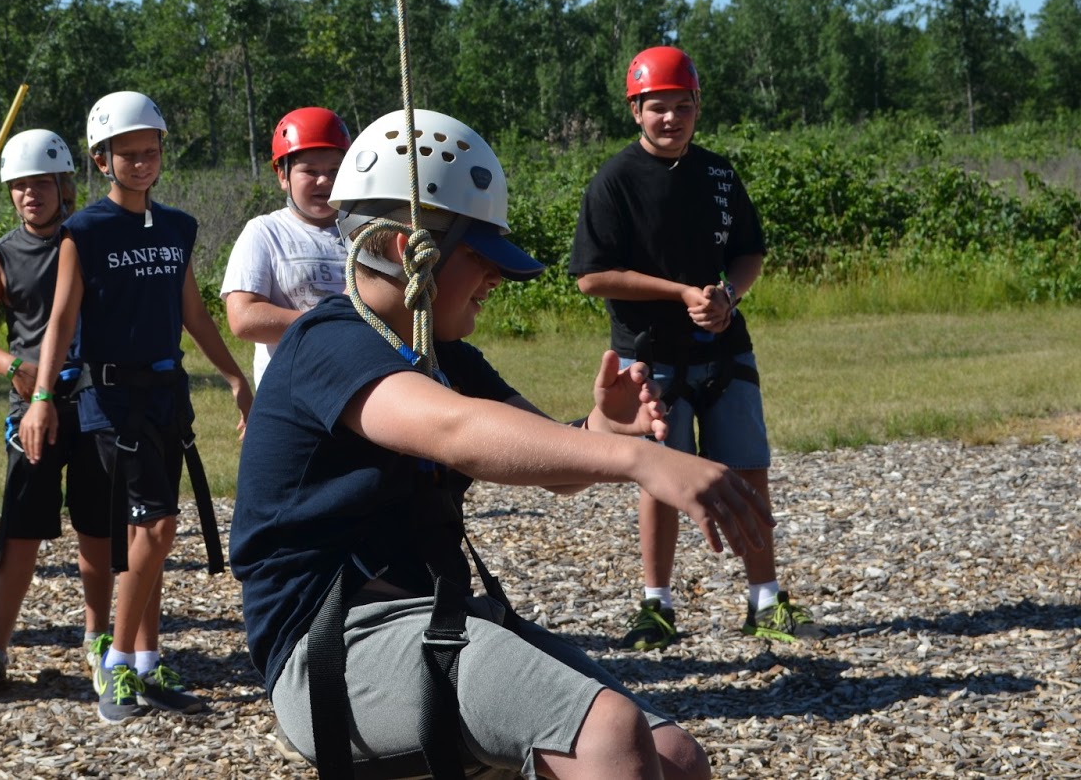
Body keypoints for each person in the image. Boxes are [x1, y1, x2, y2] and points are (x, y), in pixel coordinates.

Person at [230, 108, 776, 780]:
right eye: (481, 257)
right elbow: (455, 430)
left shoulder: (444, 352)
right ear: (411, 250)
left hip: (432, 615)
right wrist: (644, 459)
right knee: (609, 733)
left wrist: (603, 428)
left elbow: (554, 465)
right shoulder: (329, 341)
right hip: (335, 646)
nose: (495, 279)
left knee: (678, 756)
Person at [568, 45, 824, 652]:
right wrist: (680, 291)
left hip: (725, 347)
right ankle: (656, 607)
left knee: (749, 471)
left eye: (683, 106)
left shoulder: (717, 173)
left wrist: (728, 295)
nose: (672, 118)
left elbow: (750, 250)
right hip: (650, 356)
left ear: (697, 106)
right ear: (636, 110)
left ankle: (765, 601)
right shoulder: (614, 181)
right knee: (657, 479)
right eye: (659, 107)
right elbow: (591, 276)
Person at [21, 89, 253, 723]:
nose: (143, 164)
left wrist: (233, 375)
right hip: (108, 399)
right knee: (154, 528)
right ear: (103, 160)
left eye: (151, 152)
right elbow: (61, 317)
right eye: (129, 155)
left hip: (166, 393)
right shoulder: (85, 230)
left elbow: (194, 313)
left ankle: (148, 663)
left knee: (148, 531)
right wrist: (43, 397)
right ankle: (117, 665)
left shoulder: (178, 227)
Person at [0, 129, 113, 694]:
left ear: (64, 185)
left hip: (93, 399)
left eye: (40, 183)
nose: (29, 195)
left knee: (95, 527)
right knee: (19, 531)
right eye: (18, 187)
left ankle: (97, 640)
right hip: (32, 407)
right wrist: (8, 366)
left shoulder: (92, 238)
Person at [221, 106, 352, 388]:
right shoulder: (265, 232)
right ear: (283, 175)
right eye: (310, 171)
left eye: (334, 170)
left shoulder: (366, 233)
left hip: (358, 386)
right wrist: (329, 325)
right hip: (292, 393)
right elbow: (244, 318)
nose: (324, 180)